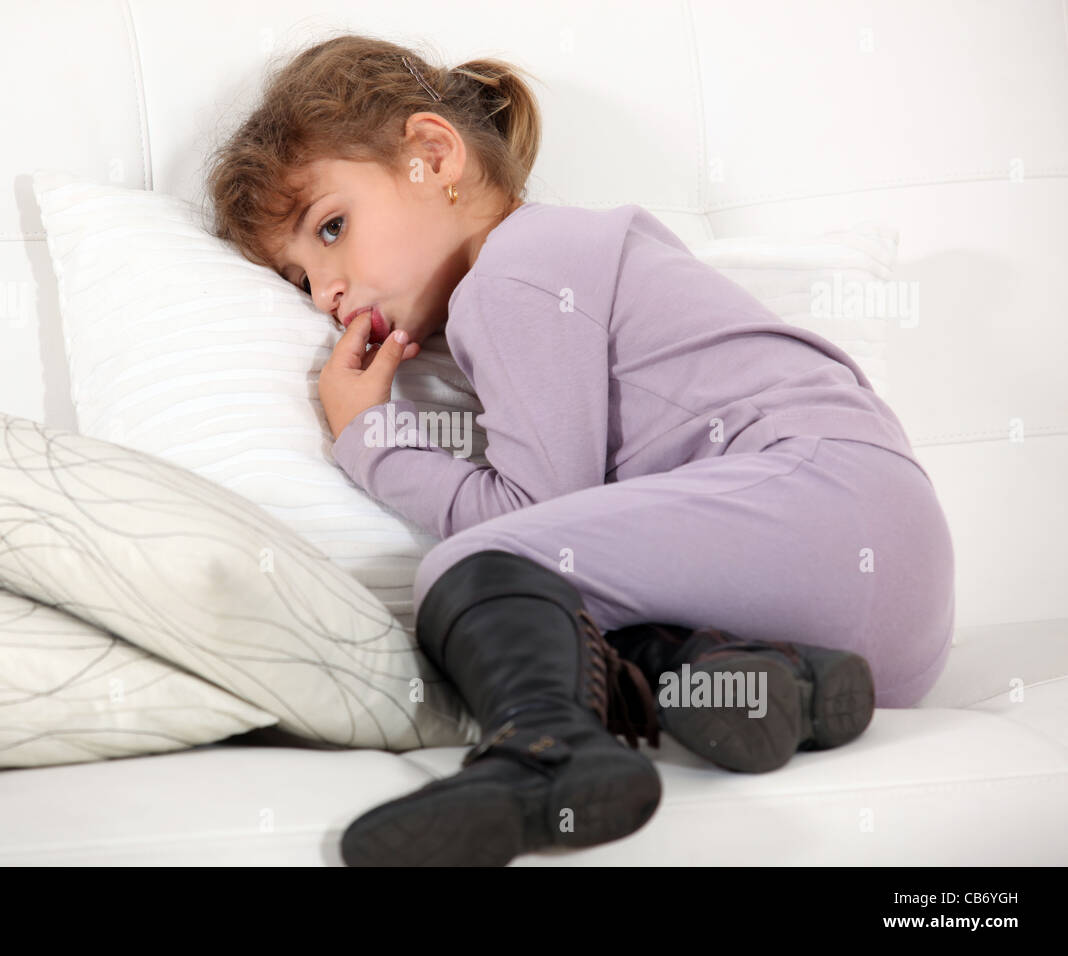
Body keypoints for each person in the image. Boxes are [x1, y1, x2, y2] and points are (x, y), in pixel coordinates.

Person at [204, 35, 956, 867]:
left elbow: (534, 520)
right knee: (585, 617)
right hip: (888, 613)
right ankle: (752, 680)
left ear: (433, 154)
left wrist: (367, 435)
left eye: (332, 229)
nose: (326, 293)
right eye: (299, 280)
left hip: (822, 496)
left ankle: (545, 752)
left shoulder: (517, 272)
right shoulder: (569, 254)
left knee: (476, 566)